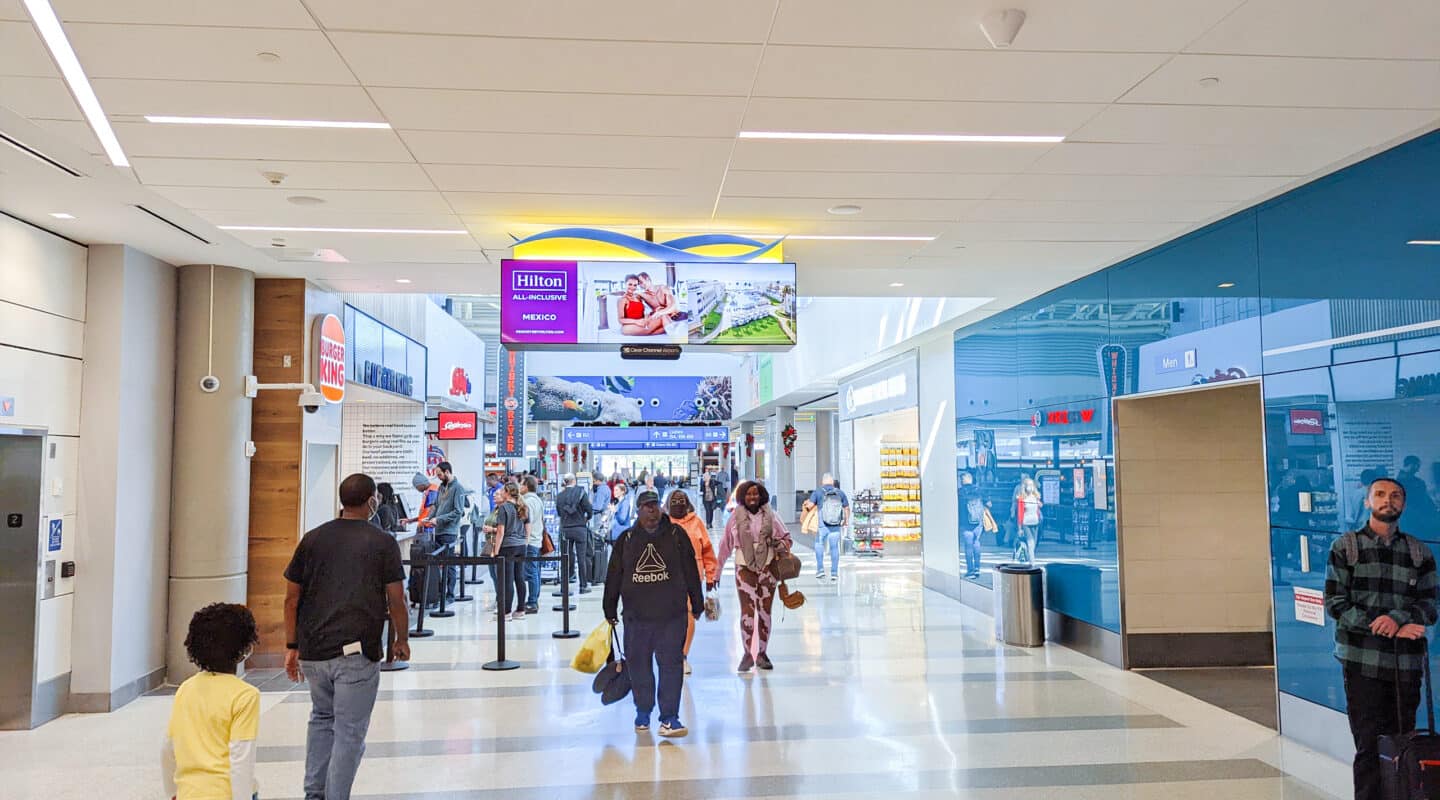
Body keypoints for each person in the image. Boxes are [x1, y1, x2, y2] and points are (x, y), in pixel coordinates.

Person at [283, 473, 410, 800]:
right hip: (356, 652)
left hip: (312, 650)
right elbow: (397, 598)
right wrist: (400, 639)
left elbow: (291, 598)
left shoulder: (312, 539)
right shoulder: (382, 542)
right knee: (350, 733)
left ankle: (314, 794)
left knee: (321, 719)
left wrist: (291, 645)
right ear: (372, 501)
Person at [1326, 477, 1439, 800]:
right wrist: (1383, 625)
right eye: (1379, 494)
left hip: (1406, 666)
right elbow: (1336, 603)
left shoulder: (1418, 552)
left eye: (1395, 495)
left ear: (1403, 503)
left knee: (1403, 744)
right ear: (1367, 502)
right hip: (1363, 664)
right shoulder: (1346, 548)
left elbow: (1431, 604)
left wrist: (1397, 620)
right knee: (1368, 745)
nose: (1387, 500)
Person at [603, 489, 704, 737]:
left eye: (655, 505)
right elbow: (614, 575)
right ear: (638, 510)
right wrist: (609, 607)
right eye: (646, 506)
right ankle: (643, 711)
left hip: (672, 615)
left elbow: (690, 568)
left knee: (671, 665)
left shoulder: (676, 535)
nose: (652, 510)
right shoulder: (626, 540)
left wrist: (697, 601)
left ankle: (670, 717)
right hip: (637, 617)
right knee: (639, 667)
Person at [162, 603, 261, 800]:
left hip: (188, 793)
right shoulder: (245, 695)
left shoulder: (186, 689)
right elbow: (241, 758)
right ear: (244, 648)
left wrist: (172, 793)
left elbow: (168, 748)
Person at [715, 481, 793, 672]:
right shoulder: (735, 517)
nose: (752, 498)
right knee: (747, 612)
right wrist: (716, 572)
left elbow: (787, 539)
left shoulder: (772, 516)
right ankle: (747, 654)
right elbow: (725, 545)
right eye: (749, 494)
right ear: (743, 496)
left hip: (768, 569)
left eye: (756, 494)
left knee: (765, 612)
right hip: (744, 570)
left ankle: (762, 654)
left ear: (761, 496)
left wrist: (779, 545)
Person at [667, 491, 718, 675]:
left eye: (682, 501)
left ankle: (683, 655)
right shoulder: (663, 523)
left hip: (692, 579)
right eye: (675, 502)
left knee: (689, 617)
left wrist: (711, 576)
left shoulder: (697, 523)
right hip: (667, 580)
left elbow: (707, 551)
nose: (678, 505)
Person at [488, 482, 530, 620]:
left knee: (507, 579)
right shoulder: (523, 506)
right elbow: (528, 527)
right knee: (520, 578)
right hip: (521, 546)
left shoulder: (504, 508)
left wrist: (496, 550)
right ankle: (521, 610)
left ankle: (506, 612)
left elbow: (501, 531)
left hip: (508, 546)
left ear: (507, 492)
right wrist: (526, 542)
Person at [430, 462, 468, 601]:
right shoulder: (441, 487)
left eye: (440, 474)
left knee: (449, 563)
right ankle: (440, 593)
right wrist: (429, 518)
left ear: (447, 472)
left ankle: (450, 594)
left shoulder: (458, 488)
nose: (438, 477)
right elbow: (436, 506)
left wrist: (439, 519)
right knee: (439, 564)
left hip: (449, 532)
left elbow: (458, 512)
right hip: (438, 531)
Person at [805, 473, 849, 582]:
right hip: (835, 525)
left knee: (819, 544)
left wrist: (807, 506)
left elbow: (809, 507)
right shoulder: (840, 493)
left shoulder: (818, 492)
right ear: (833, 482)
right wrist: (845, 521)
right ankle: (834, 573)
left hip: (822, 525)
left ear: (822, 482)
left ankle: (820, 570)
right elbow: (847, 508)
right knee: (834, 548)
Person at [556, 473, 595, 593]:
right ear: (574, 481)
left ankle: (564, 587)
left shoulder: (560, 496)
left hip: (565, 529)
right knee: (581, 557)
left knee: (565, 557)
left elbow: (559, 512)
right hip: (580, 529)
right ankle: (583, 586)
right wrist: (586, 518)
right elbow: (589, 509)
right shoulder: (581, 493)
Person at [517, 475, 546, 613]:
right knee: (535, 571)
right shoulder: (538, 500)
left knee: (531, 571)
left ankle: (532, 601)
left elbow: (527, 521)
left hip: (530, 540)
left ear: (526, 486)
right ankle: (534, 599)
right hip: (537, 539)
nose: (519, 487)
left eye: (521, 484)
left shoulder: (527, 502)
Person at [959, 472, 987, 579]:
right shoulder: (979, 490)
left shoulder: (960, 492)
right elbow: (989, 504)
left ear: (964, 480)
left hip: (965, 522)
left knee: (968, 546)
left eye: (961, 479)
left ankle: (970, 570)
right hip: (978, 522)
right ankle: (977, 568)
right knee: (976, 543)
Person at [1015, 476, 1043, 564]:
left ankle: (1028, 556)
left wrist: (1039, 504)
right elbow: (1020, 514)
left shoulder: (1036, 497)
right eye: (1028, 485)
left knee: (1033, 544)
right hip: (1026, 523)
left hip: (1035, 522)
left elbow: (1039, 508)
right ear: (1025, 486)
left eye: (1031, 485)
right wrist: (1019, 528)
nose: (1030, 487)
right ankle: (1032, 562)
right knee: (1030, 542)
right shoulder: (1022, 499)